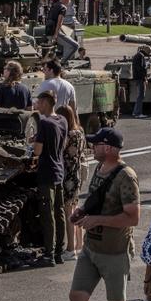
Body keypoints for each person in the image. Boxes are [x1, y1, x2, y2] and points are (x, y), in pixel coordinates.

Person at [66, 128, 139, 301]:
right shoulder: (100, 168)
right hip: (91, 248)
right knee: (77, 296)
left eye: (96, 144)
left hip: (114, 252)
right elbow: (96, 200)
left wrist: (97, 220)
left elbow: (133, 217)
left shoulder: (126, 176)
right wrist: (83, 212)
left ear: (108, 148)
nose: (92, 147)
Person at [31, 92, 68, 264]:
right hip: (59, 170)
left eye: (39, 102)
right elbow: (63, 143)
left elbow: (38, 151)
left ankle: (49, 253)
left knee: (48, 214)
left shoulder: (44, 123)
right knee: (59, 212)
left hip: (46, 172)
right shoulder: (62, 120)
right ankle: (59, 251)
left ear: (45, 102)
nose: (37, 105)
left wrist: (33, 143)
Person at [58, 105, 86, 259]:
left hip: (67, 175)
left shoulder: (68, 134)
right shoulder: (80, 132)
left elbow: (60, 151)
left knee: (69, 212)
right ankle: (79, 244)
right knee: (75, 209)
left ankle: (70, 249)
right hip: (77, 173)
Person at [131, 45, 150, 118]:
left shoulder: (136, 55)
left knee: (139, 95)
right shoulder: (141, 56)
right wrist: (145, 78)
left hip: (137, 78)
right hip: (140, 78)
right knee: (141, 96)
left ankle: (135, 112)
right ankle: (138, 113)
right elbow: (142, 68)